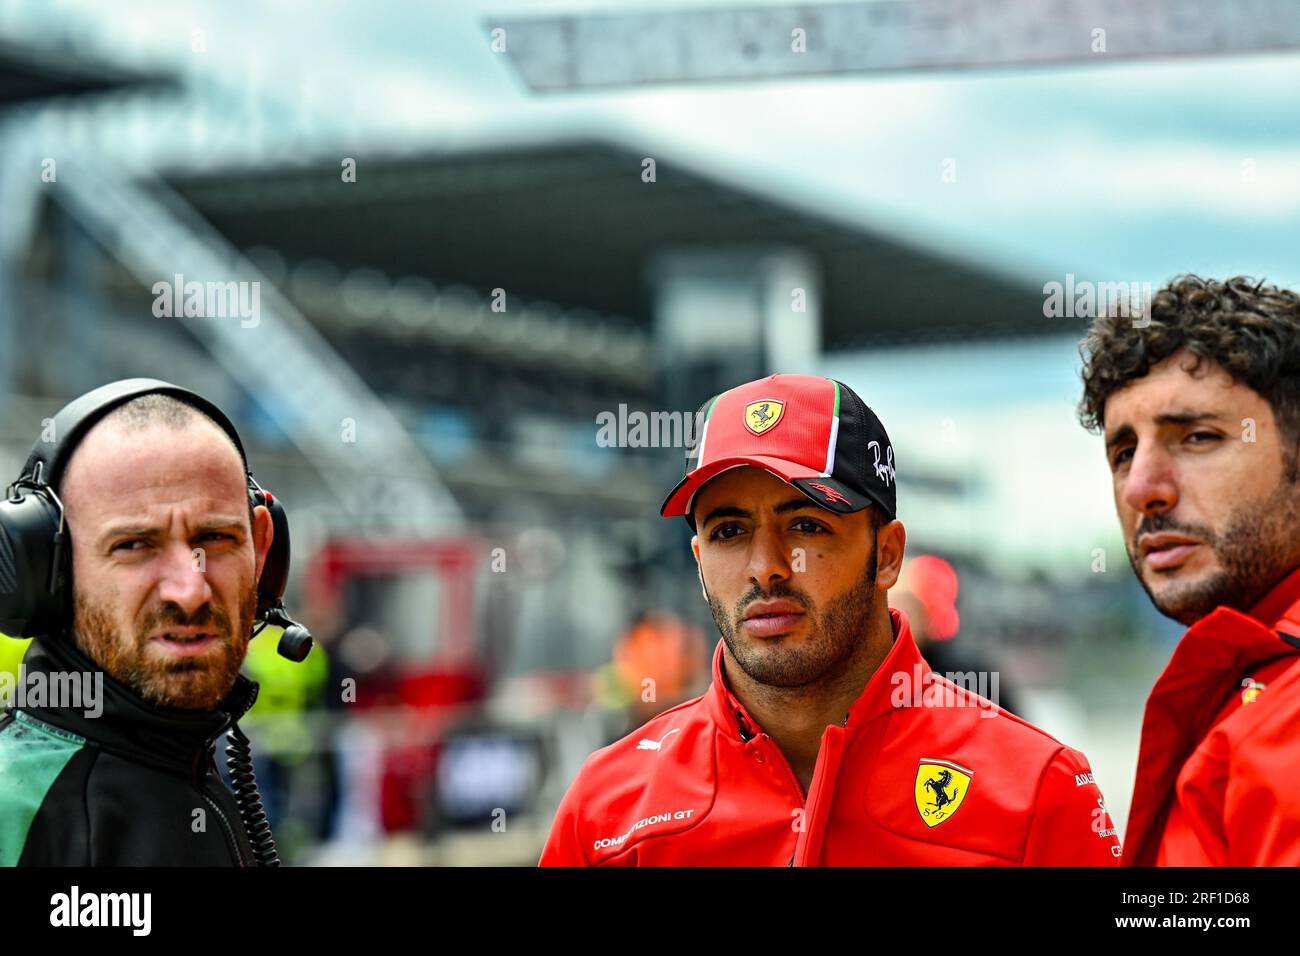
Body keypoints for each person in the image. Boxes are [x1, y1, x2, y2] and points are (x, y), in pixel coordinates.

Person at [540, 373, 1121, 865]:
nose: (766, 567)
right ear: (699, 561)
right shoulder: (607, 807)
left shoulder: (1038, 789)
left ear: (887, 554)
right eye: (729, 532)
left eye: (807, 525)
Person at [0, 379, 307, 866]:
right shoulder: (13, 818)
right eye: (134, 545)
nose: (190, 590)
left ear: (262, 550)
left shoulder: (190, 766)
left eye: (216, 537)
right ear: (46, 571)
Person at [1078, 275, 1300, 866]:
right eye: (1124, 453)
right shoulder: (1250, 685)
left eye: (1198, 437)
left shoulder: (1285, 719)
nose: (1144, 489)